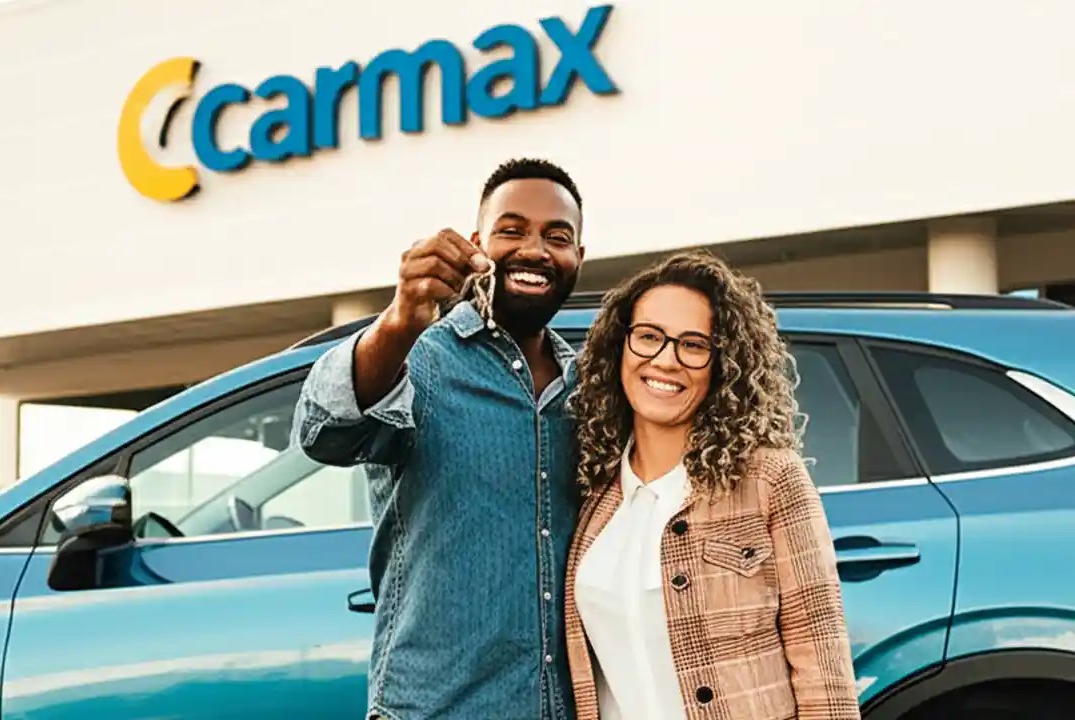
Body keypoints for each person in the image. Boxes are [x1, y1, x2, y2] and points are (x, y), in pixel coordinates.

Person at [293, 158, 589, 719]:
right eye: (512, 230)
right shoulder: (417, 357)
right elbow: (321, 431)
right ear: (477, 245)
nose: (535, 249)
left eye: (558, 236)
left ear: (579, 258)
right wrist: (401, 318)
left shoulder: (590, 390)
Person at [563, 250, 861, 720]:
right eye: (648, 337)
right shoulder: (592, 496)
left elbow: (823, 668)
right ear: (619, 347)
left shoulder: (770, 479)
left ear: (723, 365)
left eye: (694, 345)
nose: (666, 360)